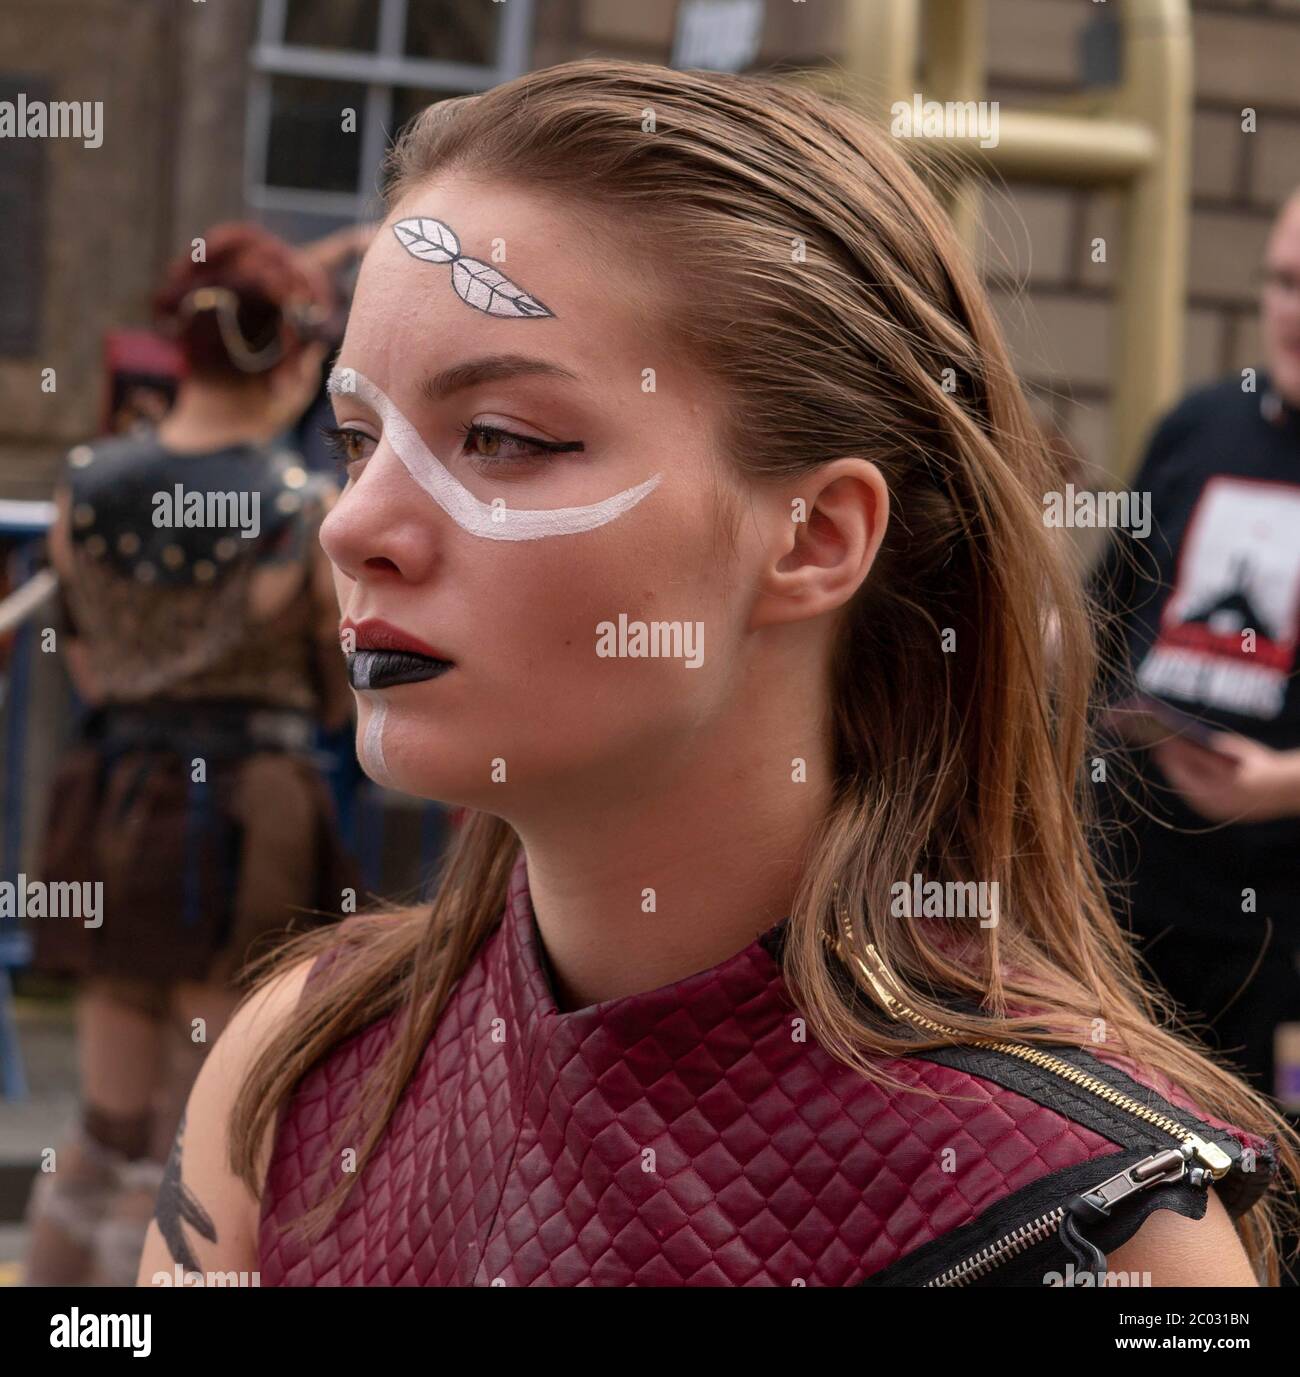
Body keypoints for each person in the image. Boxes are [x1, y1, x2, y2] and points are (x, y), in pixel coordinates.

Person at [138, 61, 1296, 1289]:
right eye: (358, 441)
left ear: (813, 536)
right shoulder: (307, 1060)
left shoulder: (1097, 1229)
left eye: (502, 441)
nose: (355, 525)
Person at [24, 223, 357, 1285]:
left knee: (107, 1129)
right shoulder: (307, 512)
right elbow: (344, 703)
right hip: (246, 820)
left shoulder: (82, 484)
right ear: (298, 355)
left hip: (108, 804)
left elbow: (79, 664)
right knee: (195, 1147)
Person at [1091, 189, 1300, 1282]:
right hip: (1129, 889)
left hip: (1275, 936)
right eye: (1280, 282)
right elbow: (1101, 622)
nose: (1291, 314)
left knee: (1259, 1214)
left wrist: (1285, 785)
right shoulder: (1203, 424)